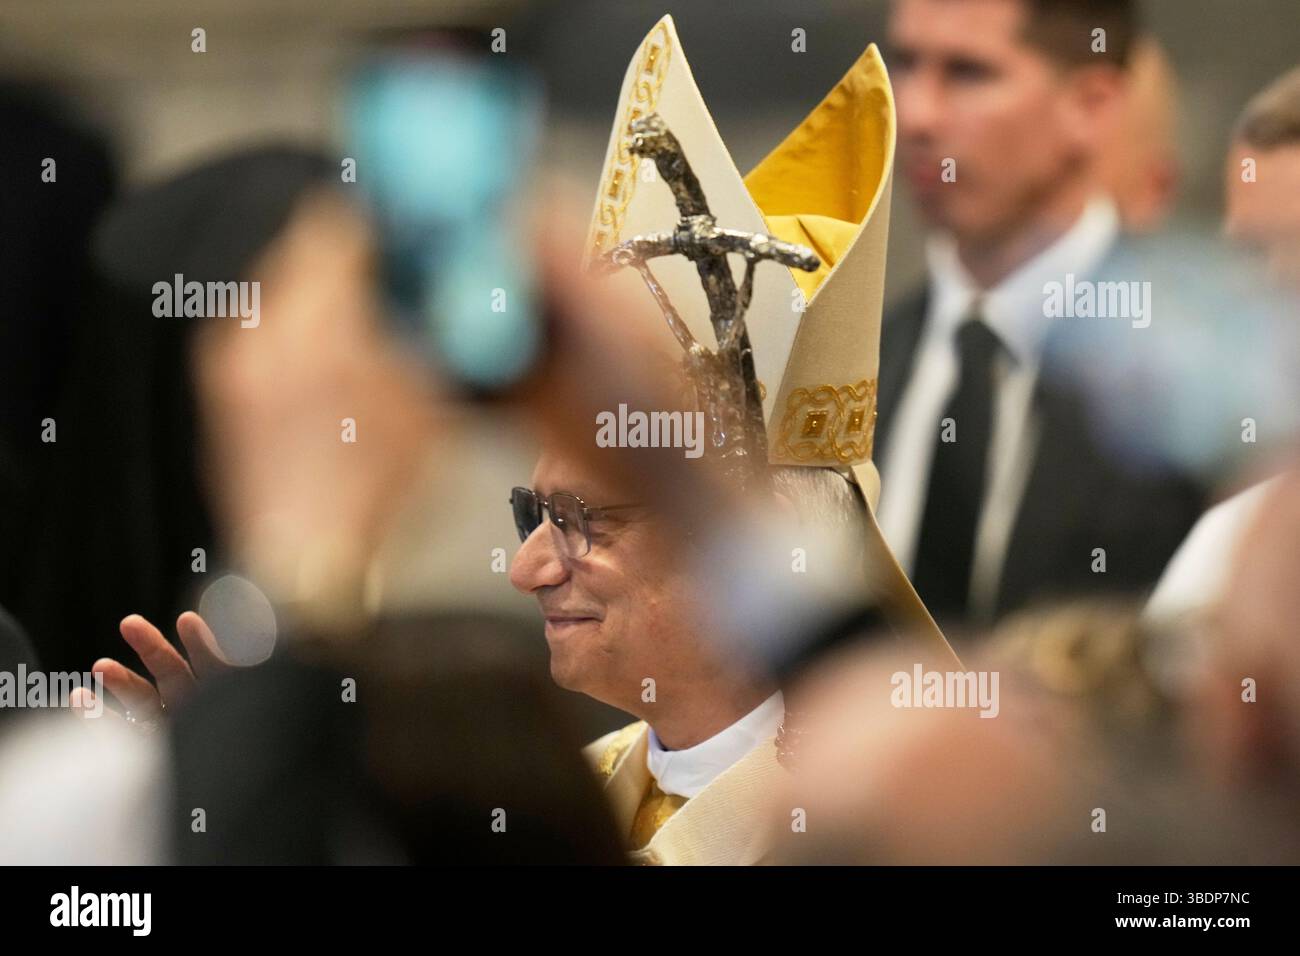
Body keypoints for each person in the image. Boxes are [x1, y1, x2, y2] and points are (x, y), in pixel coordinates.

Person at [508, 15, 957, 865]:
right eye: (533, 513)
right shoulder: (554, 801)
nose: (525, 568)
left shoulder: (895, 834)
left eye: (581, 519)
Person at [875, 0, 1204, 632]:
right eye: (905, 63)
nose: (915, 113)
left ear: (1093, 105)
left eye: (969, 73)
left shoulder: (1200, 379)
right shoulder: (844, 366)